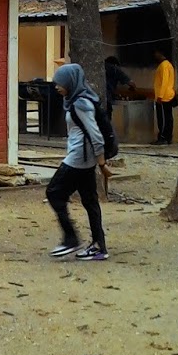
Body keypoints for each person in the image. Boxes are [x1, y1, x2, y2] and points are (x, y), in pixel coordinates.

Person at [47, 64, 112, 261]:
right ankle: (99, 246)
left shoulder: (80, 104)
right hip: (85, 159)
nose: (57, 86)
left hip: (78, 160)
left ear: (71, 81)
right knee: (90, 201)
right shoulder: (78, 99)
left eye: (60, 82)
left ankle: (71, 238)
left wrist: (102, 164)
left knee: (53, 193)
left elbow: (95, 135)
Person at [153, 50, 177, 144]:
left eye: (156, 53)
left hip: (164, 97)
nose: (155, 56)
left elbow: (164, 82)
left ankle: (163, 137)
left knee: (163, 118)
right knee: (168, 117)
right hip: (167, 95)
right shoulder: (167, 65)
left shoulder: (164, 65)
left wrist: (160, 96)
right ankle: (167, 137)